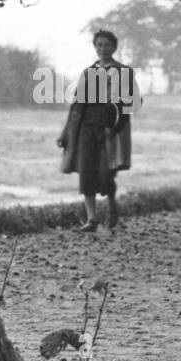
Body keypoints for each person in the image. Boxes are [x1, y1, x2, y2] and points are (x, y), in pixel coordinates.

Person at [57, 30, 140, 232]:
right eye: (99, 45)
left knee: (106, 172)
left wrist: (116, 122)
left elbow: (133, 103)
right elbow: (77, 105)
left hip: (110, 129)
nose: (103, 49)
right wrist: (66, 132)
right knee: (86, 171)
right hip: (86, 127)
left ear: (114, 47)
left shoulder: (123, 72)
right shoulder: (89, 72)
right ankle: (92, 219)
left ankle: (112, 208)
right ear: (95, 47)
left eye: (107, 45)